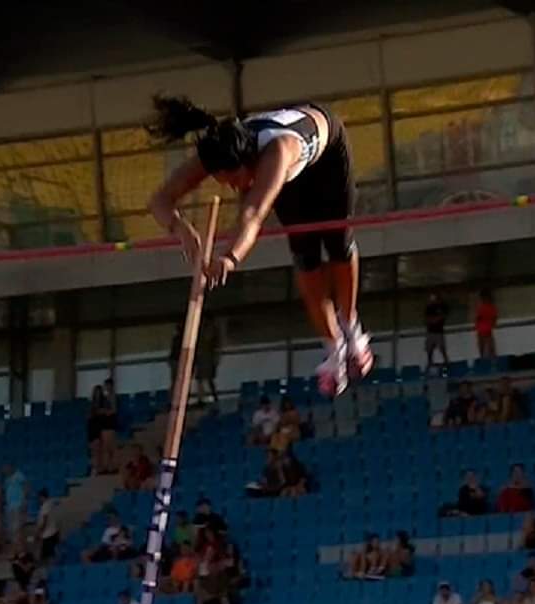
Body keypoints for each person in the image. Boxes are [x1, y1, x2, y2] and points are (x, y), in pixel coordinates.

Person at [148, 95, 372, 397]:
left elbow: (253, 215)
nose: (232, 186)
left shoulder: (276, 152)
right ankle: (333, 349)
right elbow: (159, 201)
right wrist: (182, 229)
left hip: (328, 156)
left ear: (245, 162)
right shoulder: (216, 152)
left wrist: (229, 258)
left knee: (337, 241)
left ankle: (351, 327)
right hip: (288, 175)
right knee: (304, 256)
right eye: (222, 182)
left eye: (234, 179)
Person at [424, 292, 450, 370]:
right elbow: (427, 320)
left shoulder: (442, 306)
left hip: (439, 332)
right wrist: (434, 320)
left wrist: (436, 319)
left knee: (442, 348)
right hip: (430, 332)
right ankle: (430, 362)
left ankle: (446, 362)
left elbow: (443, 316)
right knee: (429, 349)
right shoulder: (428, 308)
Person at [475, 289, 498, 359]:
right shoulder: (481, 307)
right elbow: (478, 318)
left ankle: (492, 361)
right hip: (481, 330)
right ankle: (485, 361)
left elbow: (494, 318)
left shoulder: (491, 307)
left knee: (490, 348)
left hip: (487, 330)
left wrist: (492, 324)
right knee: (483, 348)